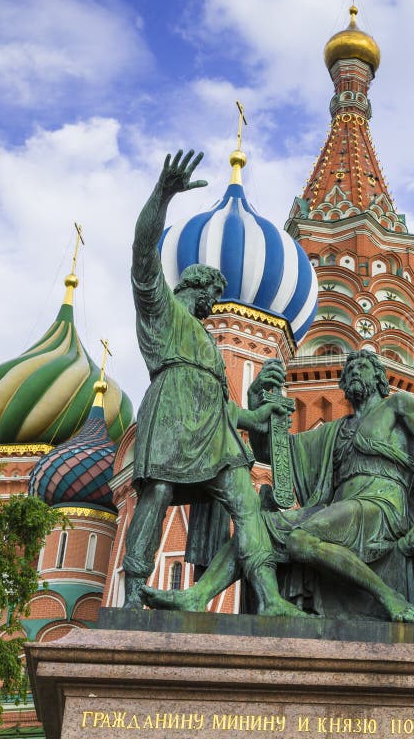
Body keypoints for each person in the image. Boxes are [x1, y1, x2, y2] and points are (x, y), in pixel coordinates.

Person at [142, 350, 414, 621]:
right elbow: (273, 452)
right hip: (344, 508)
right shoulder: (334, 432)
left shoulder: (398, 405)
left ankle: (389, 597)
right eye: (349, 370)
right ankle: (197, 596)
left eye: (362, 368)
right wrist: (257, 401)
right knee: (259, 525)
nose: (354, 373)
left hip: (383, 507)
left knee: (298, 538)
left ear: (381, 378)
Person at [123, 149, 301, 617]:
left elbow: (226, 409)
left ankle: (269, 598)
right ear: (194, 288)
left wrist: (258, 415)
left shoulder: (206, 343)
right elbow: (142, 256)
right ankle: (135, 586)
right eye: (211, 294)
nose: (214, 303)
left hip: (216, 434)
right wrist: (162, 196)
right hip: (172, 415)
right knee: (157, 494)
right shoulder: (163, 313)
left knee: (247, 505)